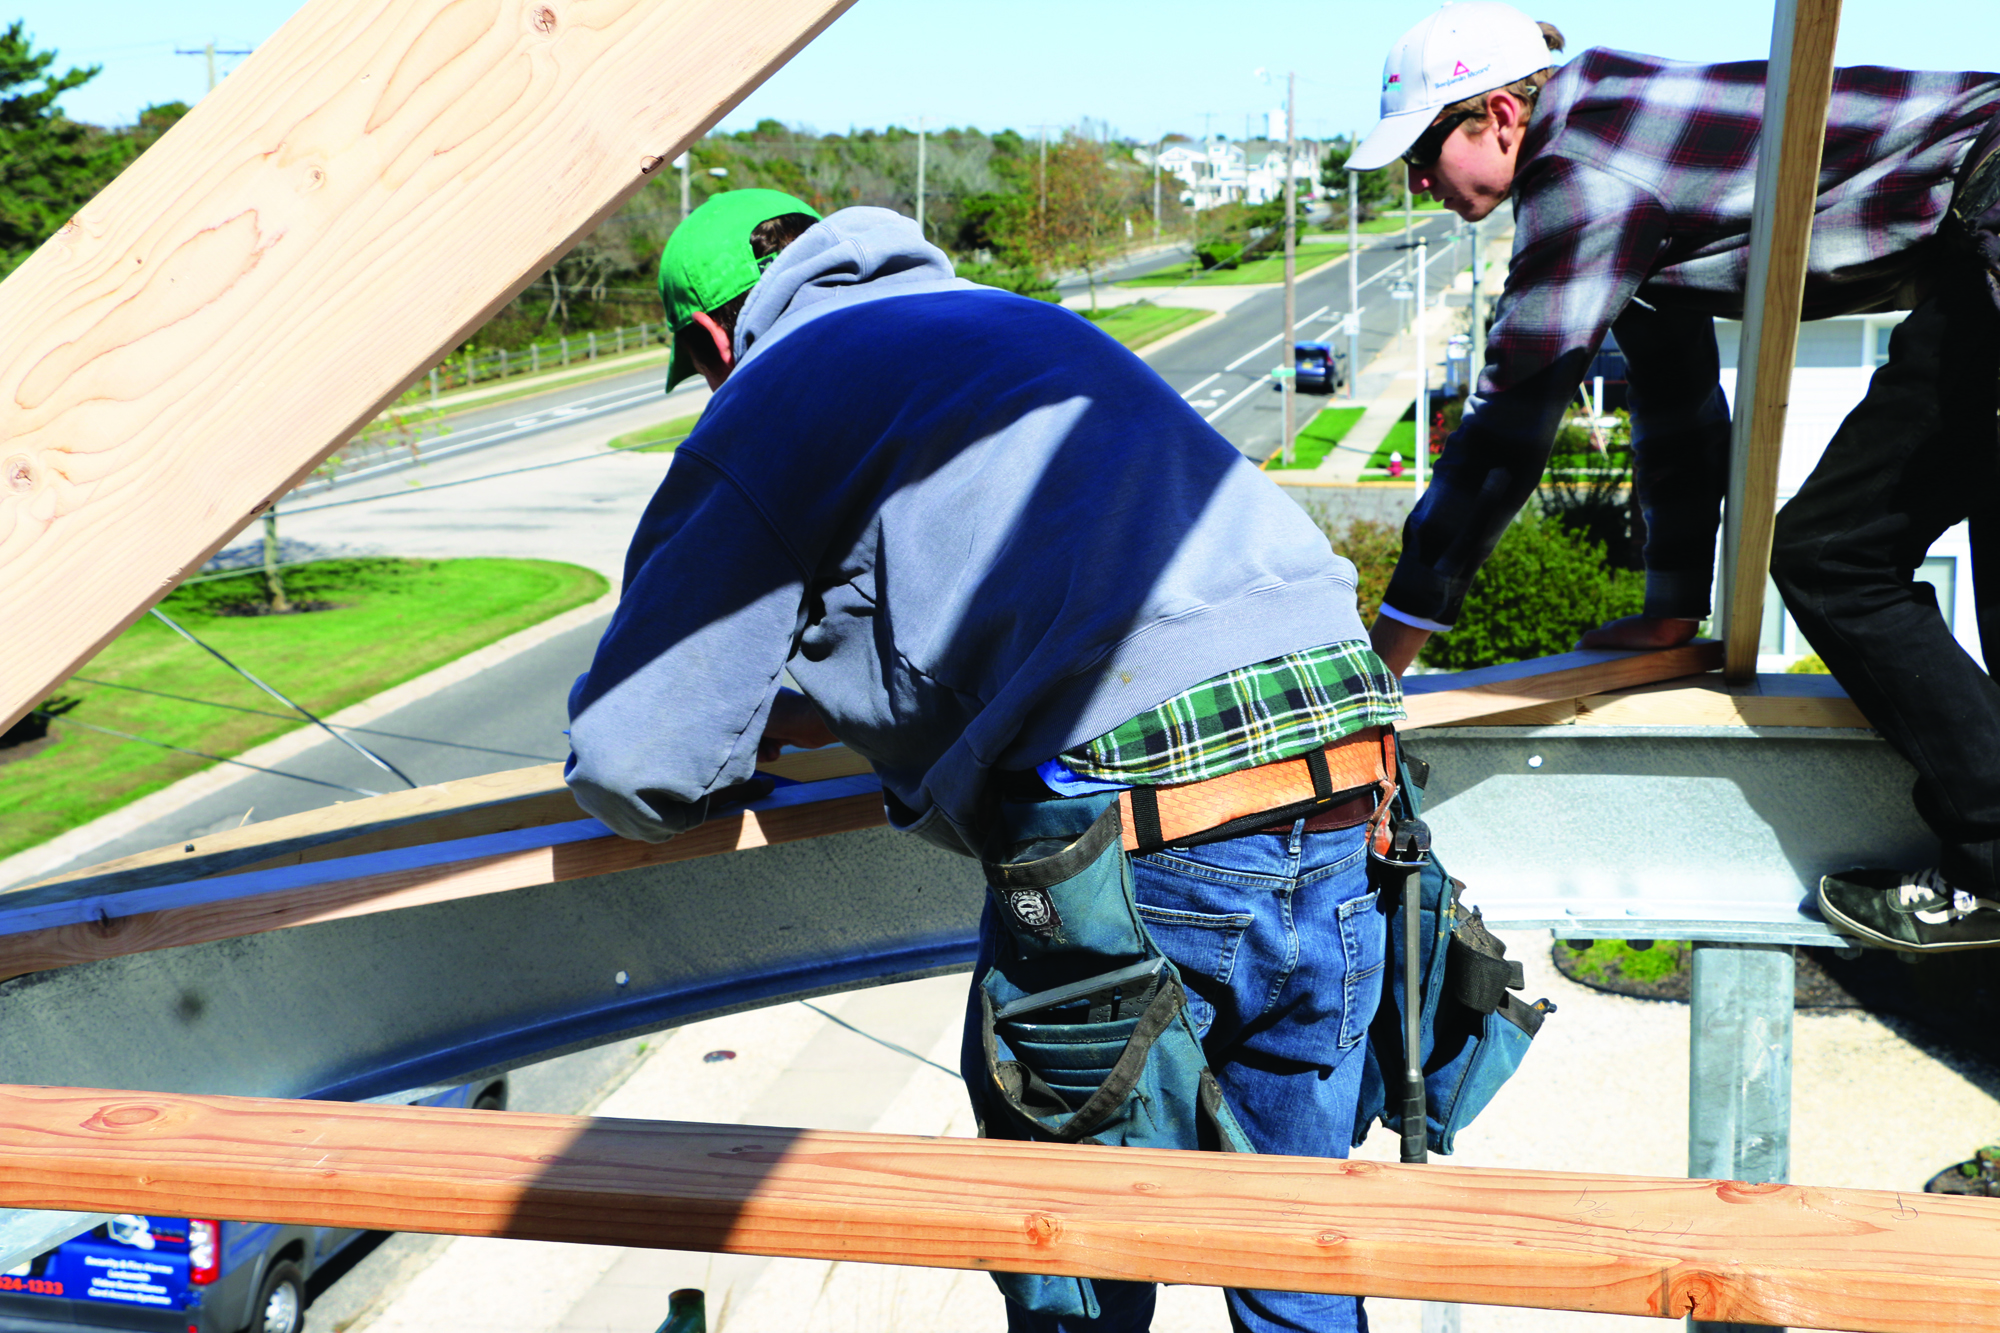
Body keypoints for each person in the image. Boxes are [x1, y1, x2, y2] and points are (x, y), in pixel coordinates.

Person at [563, 187, 1406, 1332]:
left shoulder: (770, 390)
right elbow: (1040, 593)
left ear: (715, 338)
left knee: (1073, 1272)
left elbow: (635, 763)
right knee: (1299, 1271)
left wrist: (736, 727)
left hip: (1146, 831)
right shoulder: (1010, 321)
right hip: (1346, 766)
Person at [1348, 1, 2000, 950]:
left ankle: (1992, 862)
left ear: (1496, 114)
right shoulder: (1626, 148)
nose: (1415, 182)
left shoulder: (1581, 173)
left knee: (1832, 555)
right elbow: (1678, 408)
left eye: (1422, 152)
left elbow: (1509, 423)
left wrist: (1389, 658)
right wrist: (1671, 607)